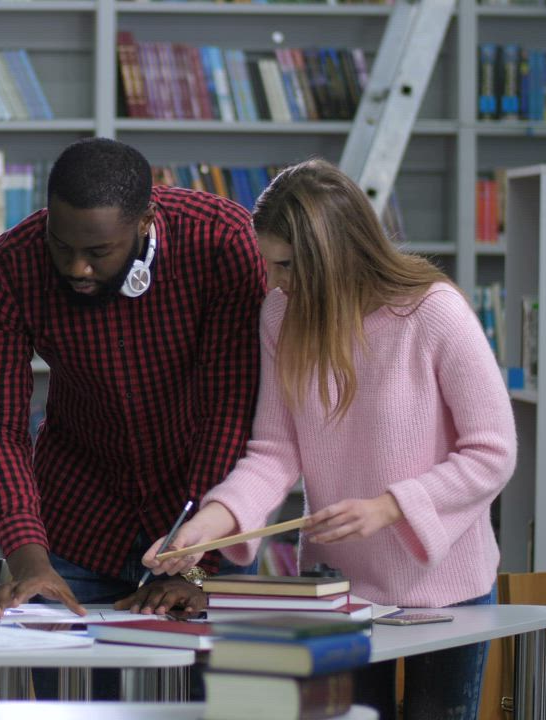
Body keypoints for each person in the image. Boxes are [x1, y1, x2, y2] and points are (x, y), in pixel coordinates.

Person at [141, 158, 516, 719]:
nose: (274, 282)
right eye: (270, 265)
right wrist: (205, 528)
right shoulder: (280, 314)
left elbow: (493, 453)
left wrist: (391, 507)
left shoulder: (433, 311)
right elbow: (274, 452)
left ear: (333, 255)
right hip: (341, 591)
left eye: (287, 266)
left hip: (446, 586)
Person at [0, 137, 268, 624]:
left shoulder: (221, 242)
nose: (75, 268)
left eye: (98, 251)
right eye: (61, 245)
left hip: (200, 517)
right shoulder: (8, 268)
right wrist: (27, 557)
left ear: (146, 220)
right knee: (76, 696)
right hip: (77, 523)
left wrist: (194, 565)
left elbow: (229, 411)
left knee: (215, 694)